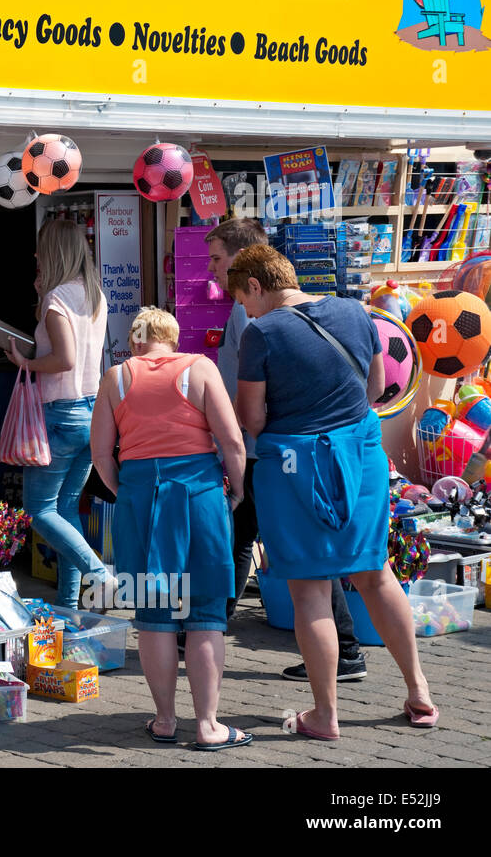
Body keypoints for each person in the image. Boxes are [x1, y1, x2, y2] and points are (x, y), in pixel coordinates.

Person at [230, 246, 437, 740]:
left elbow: (252, 419)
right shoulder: (355, 310)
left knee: (309, 590)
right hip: (361, 455)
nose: (245, 311)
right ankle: (420, 690)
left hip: (293, 464)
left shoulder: (261, 333)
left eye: (243, 300)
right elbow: (378, 386)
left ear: (257, 286)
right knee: (375, 573)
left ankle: (325, 715)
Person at [205, 221, 367, 682]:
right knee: (244, 537)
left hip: (271, 451)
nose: (213, 270)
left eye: (218, 259)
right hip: (285, 449)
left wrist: (235, 437)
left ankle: (346, 650)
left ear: (245, 267)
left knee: (299, 559)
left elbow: (252, 403)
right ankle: (210, 625)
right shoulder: (336, 310)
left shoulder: (256, 316)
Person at [90, 307, 250, 750]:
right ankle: (209, 725)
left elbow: (101, 455)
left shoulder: (115, 378)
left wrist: (128, 492)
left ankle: (164, 720)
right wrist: (235, 491)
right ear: (172, 339)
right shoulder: (199, 368)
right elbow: (231, 441)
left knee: (152, 614)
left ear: (136, 340)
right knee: (205, 615)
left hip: (141, 500)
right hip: (199, 496)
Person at [8, 219, 112, 610]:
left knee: (38, 511)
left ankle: (98, 573)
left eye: (41, 248)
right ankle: (69, 604)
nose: (36, 255)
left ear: (53, 252)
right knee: (65, 509)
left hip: (60, 415)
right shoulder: (93, 295)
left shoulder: (57, 299)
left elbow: (63, 359)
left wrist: (24, 360)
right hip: (90, 413)